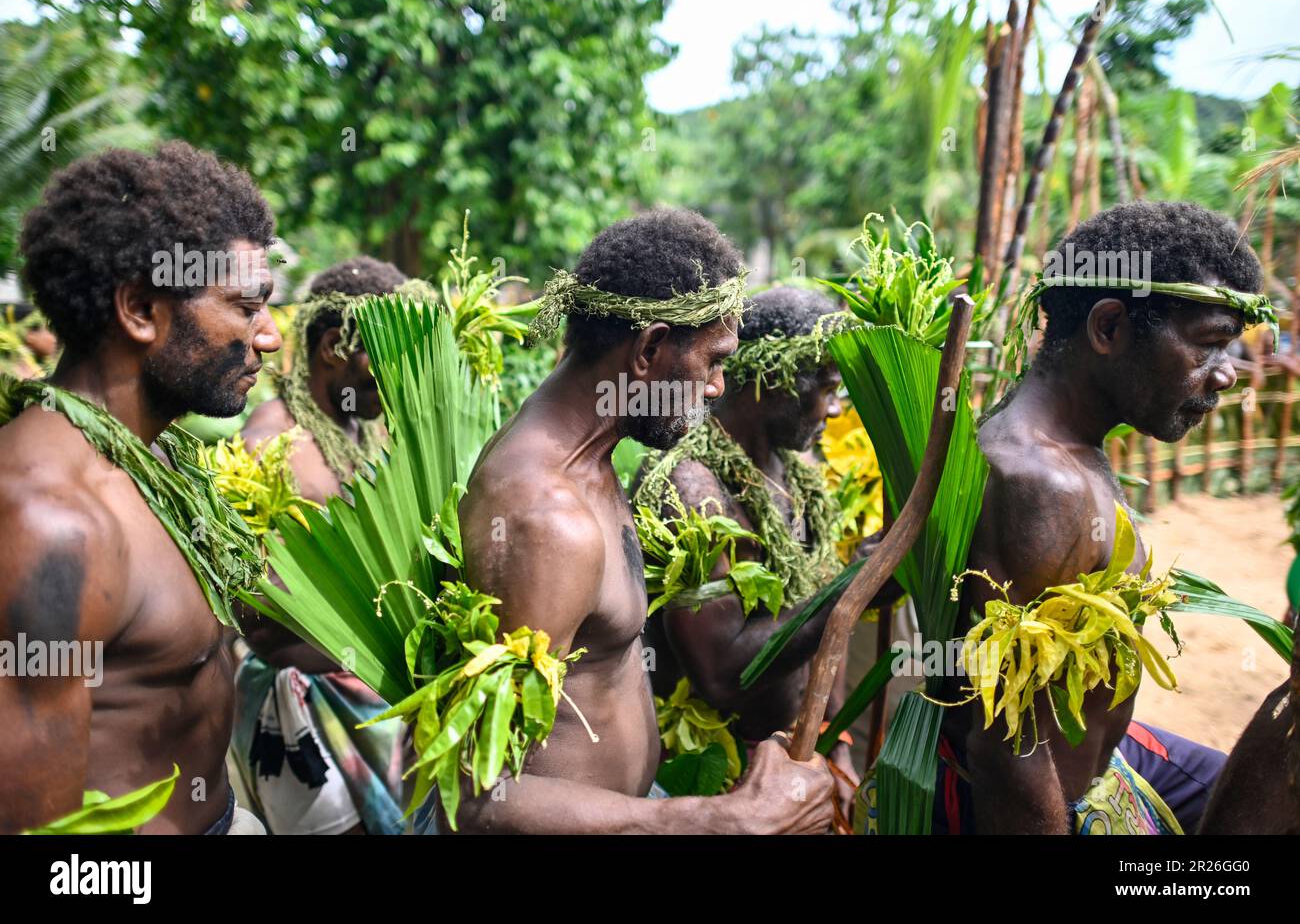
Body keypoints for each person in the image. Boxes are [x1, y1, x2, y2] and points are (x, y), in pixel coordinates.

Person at [451, 208, 834, 833]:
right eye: (712, 361)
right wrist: (724, 820)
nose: (716, 388)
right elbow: (475, 800)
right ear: (652, 348)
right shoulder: (545, 517)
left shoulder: (587, 457)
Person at [936, 200, 1276, 834]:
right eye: (1207, 345)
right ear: (1109, 328)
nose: (1227, 375)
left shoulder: (1071, 446)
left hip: (1104, 766)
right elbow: (1008, 744)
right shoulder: (1040, 484)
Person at [0, 142, 281, 834]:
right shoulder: (52, 521)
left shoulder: (160, 466)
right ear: (139, 309)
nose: (269, 337)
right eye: (245, 307)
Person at [635, 286, 891, 811]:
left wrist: (835, 738)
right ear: (773, 381)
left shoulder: (802, 477)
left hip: (797, 764)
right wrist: (852, 589)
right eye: (827, 387)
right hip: (713, 786)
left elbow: (822, 634)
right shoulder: (690, 489)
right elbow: (723, 673)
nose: (837, 409)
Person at [233, 257, 408, 835]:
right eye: (390, 353)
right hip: (307, 717)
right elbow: (260, 619)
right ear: (336, 346)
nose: (403, 374)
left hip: (379, 698)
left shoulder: (367, 432)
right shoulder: (274, 446)